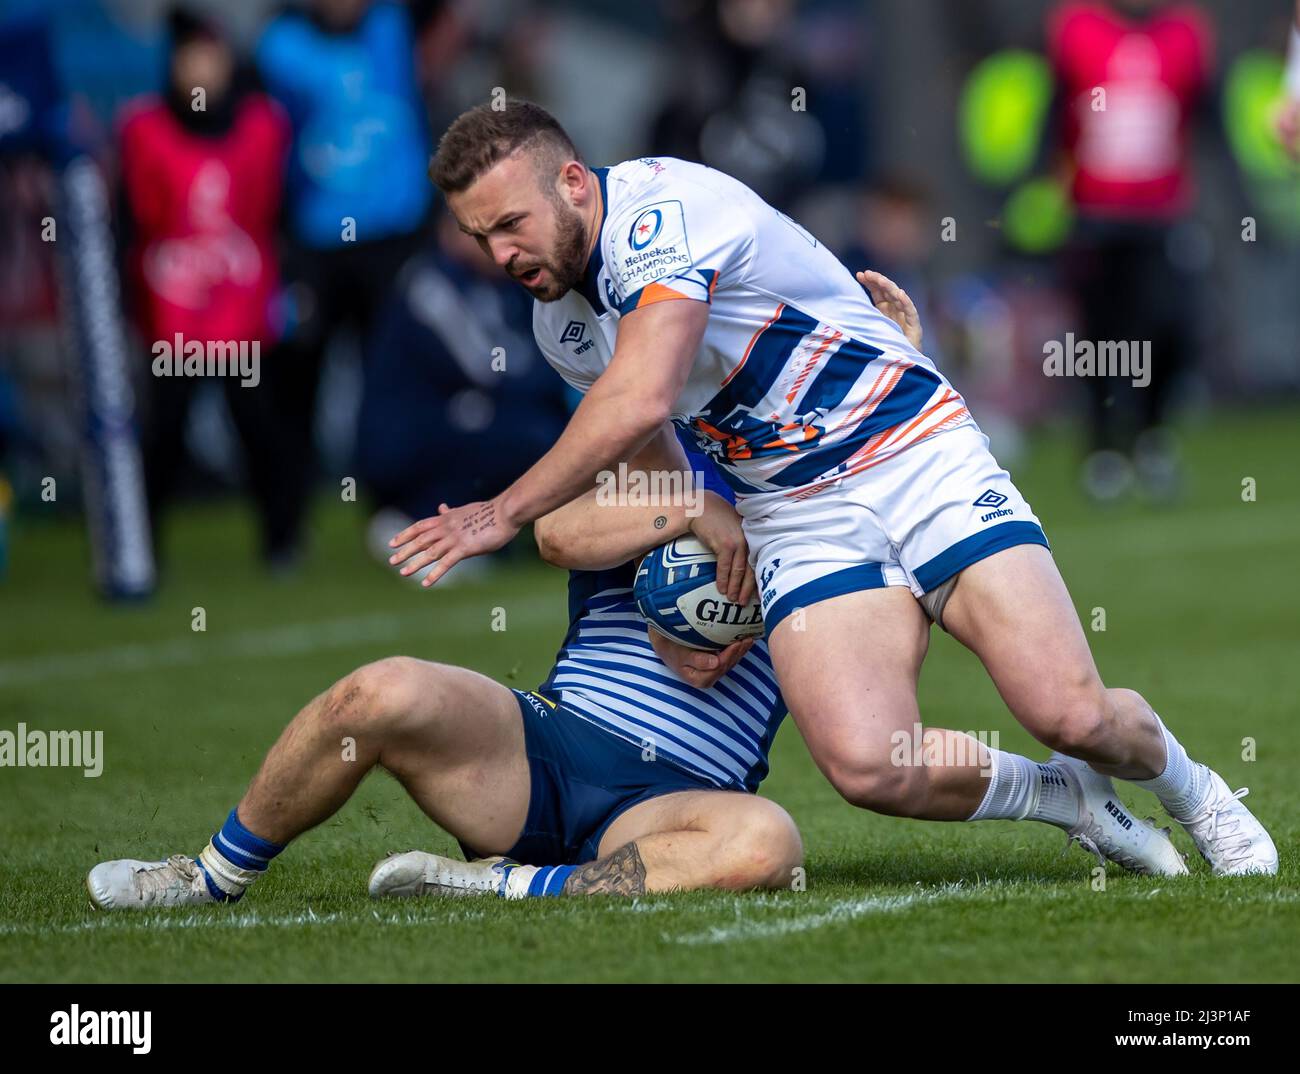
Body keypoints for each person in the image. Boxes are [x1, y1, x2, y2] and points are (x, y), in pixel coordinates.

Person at [389, 101, 1276, 879]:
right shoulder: (561, 325)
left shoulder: (661, 213)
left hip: (912, 447)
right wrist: (696, 585)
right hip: (793, 512)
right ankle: (1065, 798)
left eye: (511, 223)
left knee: (1070, 709)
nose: (500, 253)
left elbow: (642, 395)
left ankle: (1192, 789)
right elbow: (657, 458)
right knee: (867, 765)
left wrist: (499, 512)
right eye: (479, 237)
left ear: (574, 183)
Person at [118, 6, 291, 566]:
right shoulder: (143, 129)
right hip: (176, 318)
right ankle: (141, 550)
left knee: (261, 432)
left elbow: (279, 212)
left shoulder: (262, 125)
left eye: (210, 58)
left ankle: (282, 545)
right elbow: (129, 221)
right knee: (164, 437)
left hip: (241, 313)